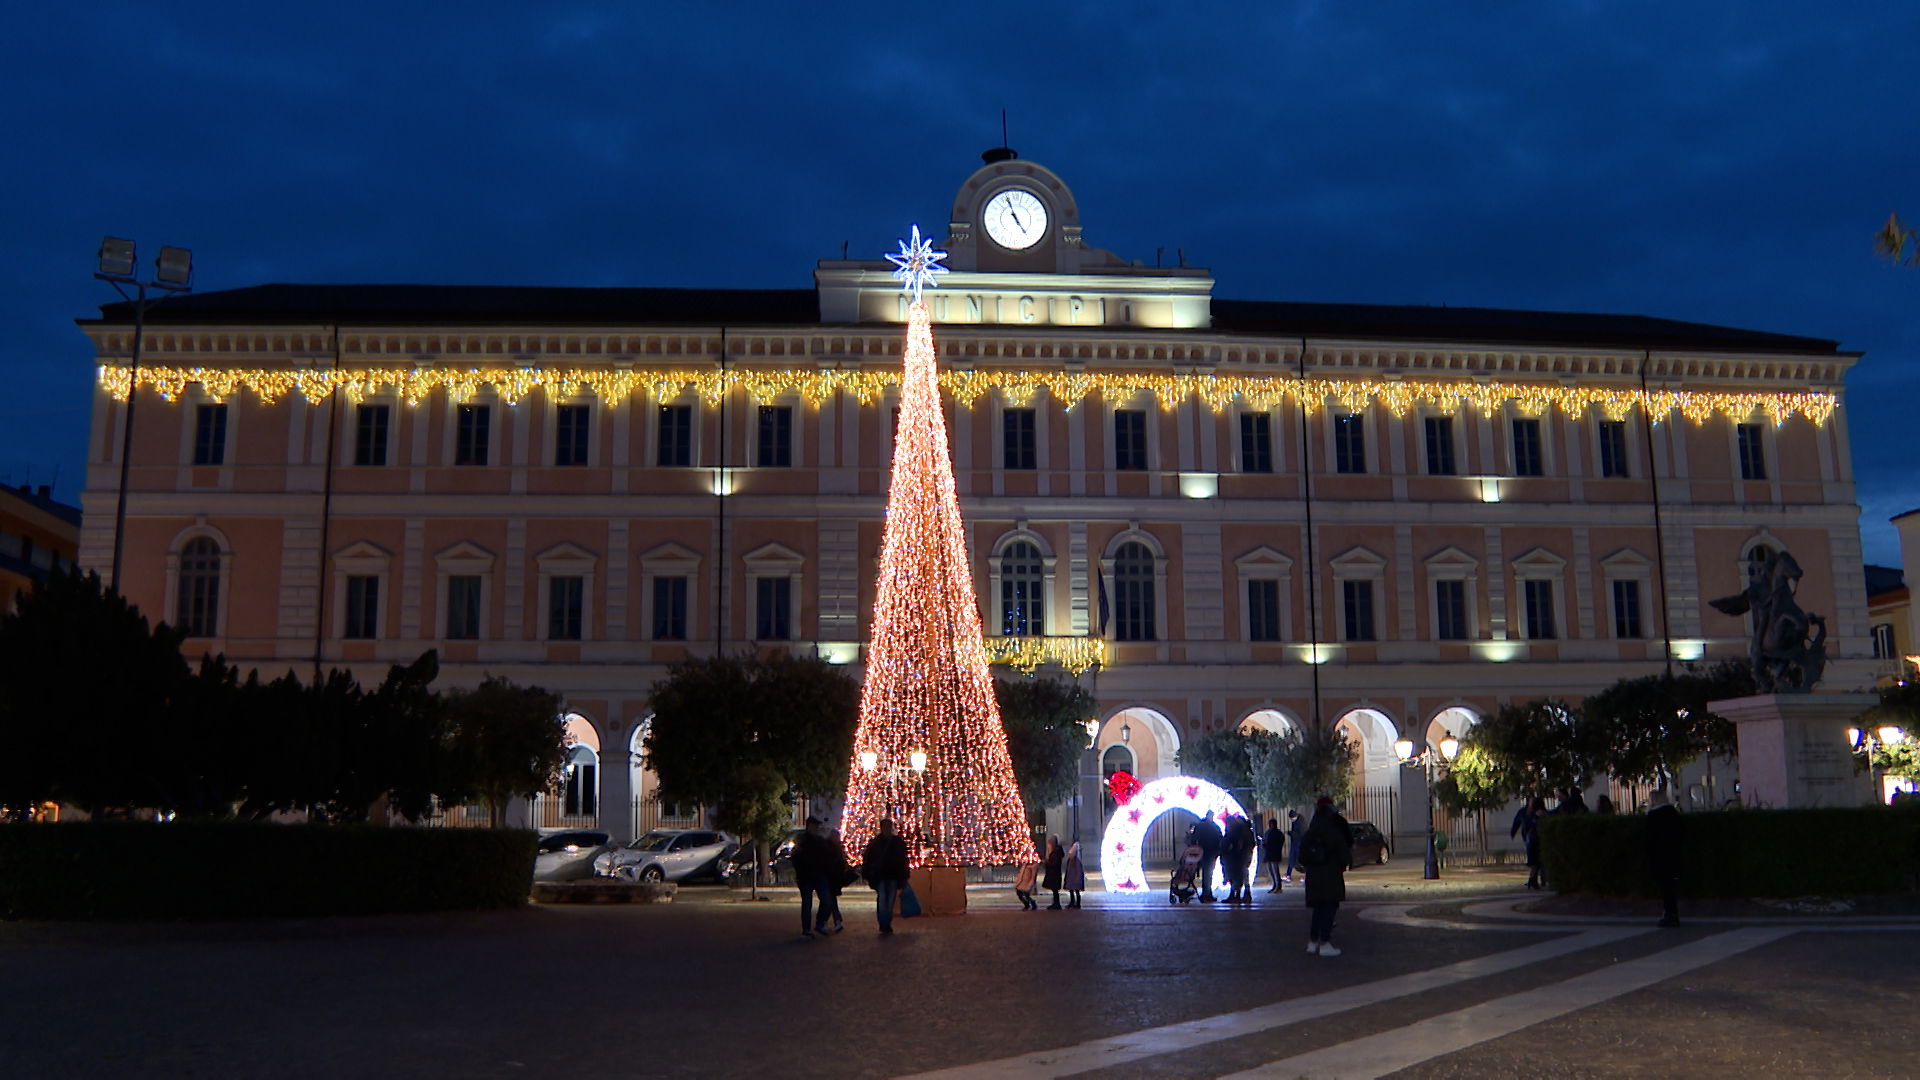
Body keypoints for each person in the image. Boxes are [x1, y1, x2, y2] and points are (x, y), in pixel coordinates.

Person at [1301, 796, 1353, 956]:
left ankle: (1313, 941)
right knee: (1329, 909)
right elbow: (1345, 855)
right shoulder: (1333, 832)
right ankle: (1324, 942)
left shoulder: (1309, 832)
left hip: (1314, 876)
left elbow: (1301, 858)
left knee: (1317, 909)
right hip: (1330, 875)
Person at [860, 818, 912, 934]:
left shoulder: (894, 843)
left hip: (892, 876)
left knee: (888, 901)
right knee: (883, 900)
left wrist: (904, 874)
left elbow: (903, 859)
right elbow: (869, 859)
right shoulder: (877, 843)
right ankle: (884, 923)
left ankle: (886, 922)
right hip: (881, 876)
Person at [1645, 789, 1686, 928]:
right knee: (1671, 886)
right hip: (1674, 855)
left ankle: (1669, 913)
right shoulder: (1673, 814)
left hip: (1660, 857)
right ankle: (1672, 913)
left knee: (1665, 887)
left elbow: (1649, 839)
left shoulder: (1653, 816)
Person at [792, 816, 834, 940]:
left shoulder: (819, 841)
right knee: (807, 904)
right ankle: (806, 929)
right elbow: (797, 858)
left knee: (826, 900)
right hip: (807, 876)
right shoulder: (803, 841)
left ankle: (819, 923)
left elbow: (827, 856)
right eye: (814, 826)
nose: (816, 828)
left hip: (819, 875)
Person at [1513, 797, 1546, 890]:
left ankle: (1532, 880)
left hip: (1531, 840)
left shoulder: (1530, 814)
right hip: (1535, 841)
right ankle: (1533, 881)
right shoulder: (1535, 814)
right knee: (1536, 862)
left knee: (1535, 863)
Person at [823, 827, 851, 933]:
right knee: (831, 901)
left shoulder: (832, 847)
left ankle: (830, 921)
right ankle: (835, 921)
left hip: (832, 878)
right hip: (833, 877)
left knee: (830, 901)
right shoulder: (833, 847)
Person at [1221, 816, 1254, 903]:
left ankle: (1238, 895)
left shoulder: (1239, 832)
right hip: (1241, 857)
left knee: (1238, 875)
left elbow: (1233, 843)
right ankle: (1240, 894)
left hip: (1238, 857)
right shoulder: (1245, 832)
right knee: (1240, 875)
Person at [1192, 814, 1224, 901]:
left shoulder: (1201, 826)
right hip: (1211, 852)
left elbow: (1194, 838)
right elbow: (1220, 838)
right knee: (1208, 873)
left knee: (1206, 873)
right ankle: (1207, 893)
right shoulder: (1214, 827)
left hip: (1204, 851)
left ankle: (1206, 893)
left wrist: (1195, 849)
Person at [1262, 817, 1287, 893]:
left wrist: (1268, 844)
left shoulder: (1277, 834)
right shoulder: (1269, 833)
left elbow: (1279, 843)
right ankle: (1275, 885)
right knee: (1272, 871)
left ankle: (1278, 886)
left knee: (1275, 871)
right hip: (1270, 853)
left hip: (1274, 854)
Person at [1042, 835, 1065, 909]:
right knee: (1054, 890)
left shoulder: (1055, 853)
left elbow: (1054, 863)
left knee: (1055, 890)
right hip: (1054, 873)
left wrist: (1046, 864)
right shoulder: (1055, 852)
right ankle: (1055, 903)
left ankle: (1056, 904)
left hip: (1054, 874)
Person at [1013, 845, 1040, 910]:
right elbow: (1022, 871)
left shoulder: (1034, 863)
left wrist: (1031, 881)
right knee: (1019, 892)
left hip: (1027, 880)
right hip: (1022, 880)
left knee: (1026, 894)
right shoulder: (1025, 861)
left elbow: (1033, 874)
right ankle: (1027, 903)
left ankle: (1032, 903)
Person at [1283, 808, 1305, 882]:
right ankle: (1288, 874)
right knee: (1293, 859)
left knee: (1298, 860)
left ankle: (1289, 875)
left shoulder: (1299, 823)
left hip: (1298, 844)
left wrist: (1290, 833)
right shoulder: (1298, 821)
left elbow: (1300, 834)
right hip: (1296, 843)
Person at [1063, 840, 1086, 908]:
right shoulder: (1070, 861)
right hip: (1071, 878)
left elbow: (1079, 871)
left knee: (1076, 891)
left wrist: (1077, 879)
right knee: (1071, 891)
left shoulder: (1077, 862)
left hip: (1074, 879)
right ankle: (1072, 902)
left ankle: (1078, 903)